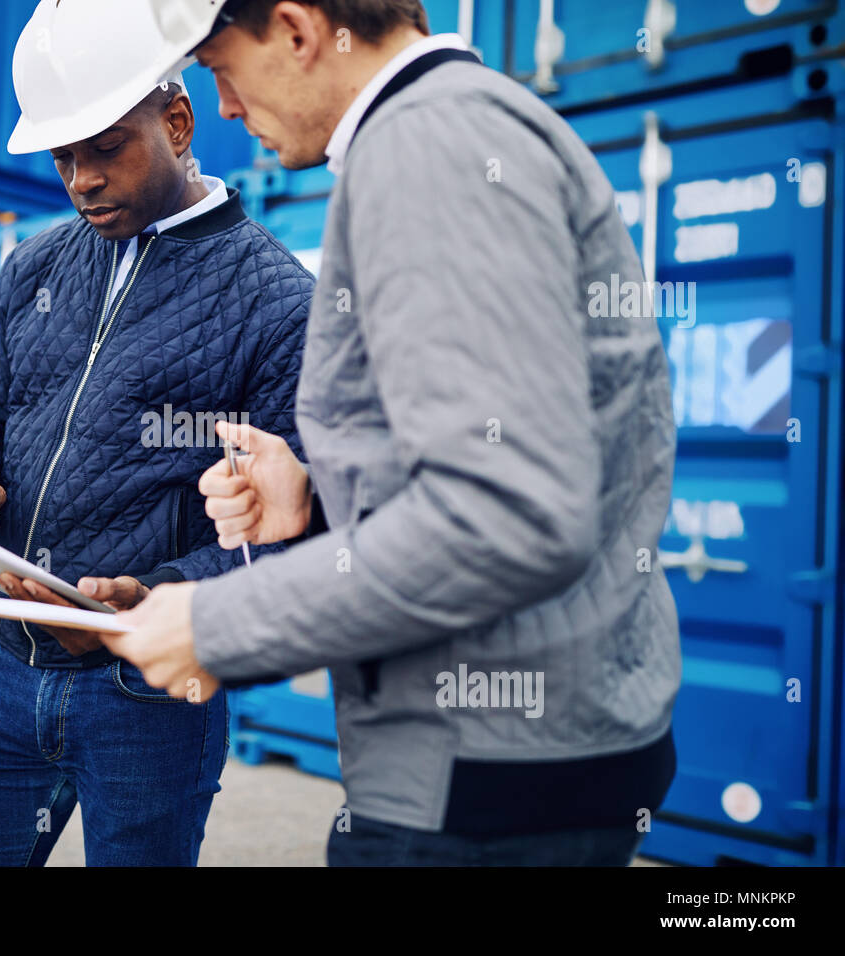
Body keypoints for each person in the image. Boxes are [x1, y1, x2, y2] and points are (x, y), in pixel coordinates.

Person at [107, 0, 681, 866]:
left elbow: (507, 515)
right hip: (527, 752)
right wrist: (314, 501)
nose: (222, 105)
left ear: (298, 33)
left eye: (221, 66)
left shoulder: (428, 150)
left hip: (480, 780)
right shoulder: (466, 126)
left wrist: (216, 624)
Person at [0, 0, 313, 866]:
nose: (82, 179)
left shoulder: (279, 302)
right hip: (2, 676)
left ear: (177, 121)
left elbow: (286, 535)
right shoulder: (33, 267)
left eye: (104, 148)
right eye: (63, 157)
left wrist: (158, 596)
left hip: (153, 697)